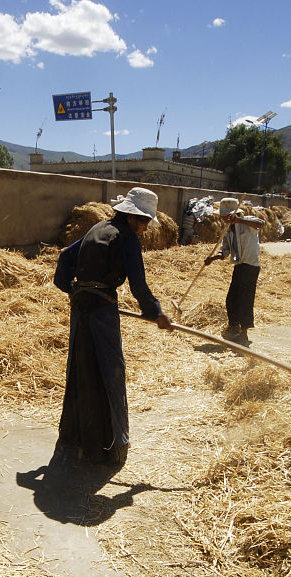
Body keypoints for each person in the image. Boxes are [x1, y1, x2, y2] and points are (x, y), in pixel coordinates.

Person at [53, 187, 171, 466]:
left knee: (82, 365)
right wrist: (156, 313)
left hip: (81, 308)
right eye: (144, 221)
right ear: (132, 217)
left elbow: (65, 258)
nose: (144, 228)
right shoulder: (127, 238)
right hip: (102, 310)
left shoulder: (98, 228)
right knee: (110, 370)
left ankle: (75, 438)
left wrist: (72, 289)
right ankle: (115, 446)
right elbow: (138, 283)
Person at [204, 197, 266, 346]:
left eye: (224, 216)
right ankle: (234, 326)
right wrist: (212, 258)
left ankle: (244, 334)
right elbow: (225, 251)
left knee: (246, 299)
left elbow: (261, 224)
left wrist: (240, 221)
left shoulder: (246, 221)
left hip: (251, 265)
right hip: (239, 265)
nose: (223, 219)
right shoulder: (228, 231)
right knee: (232, 298)